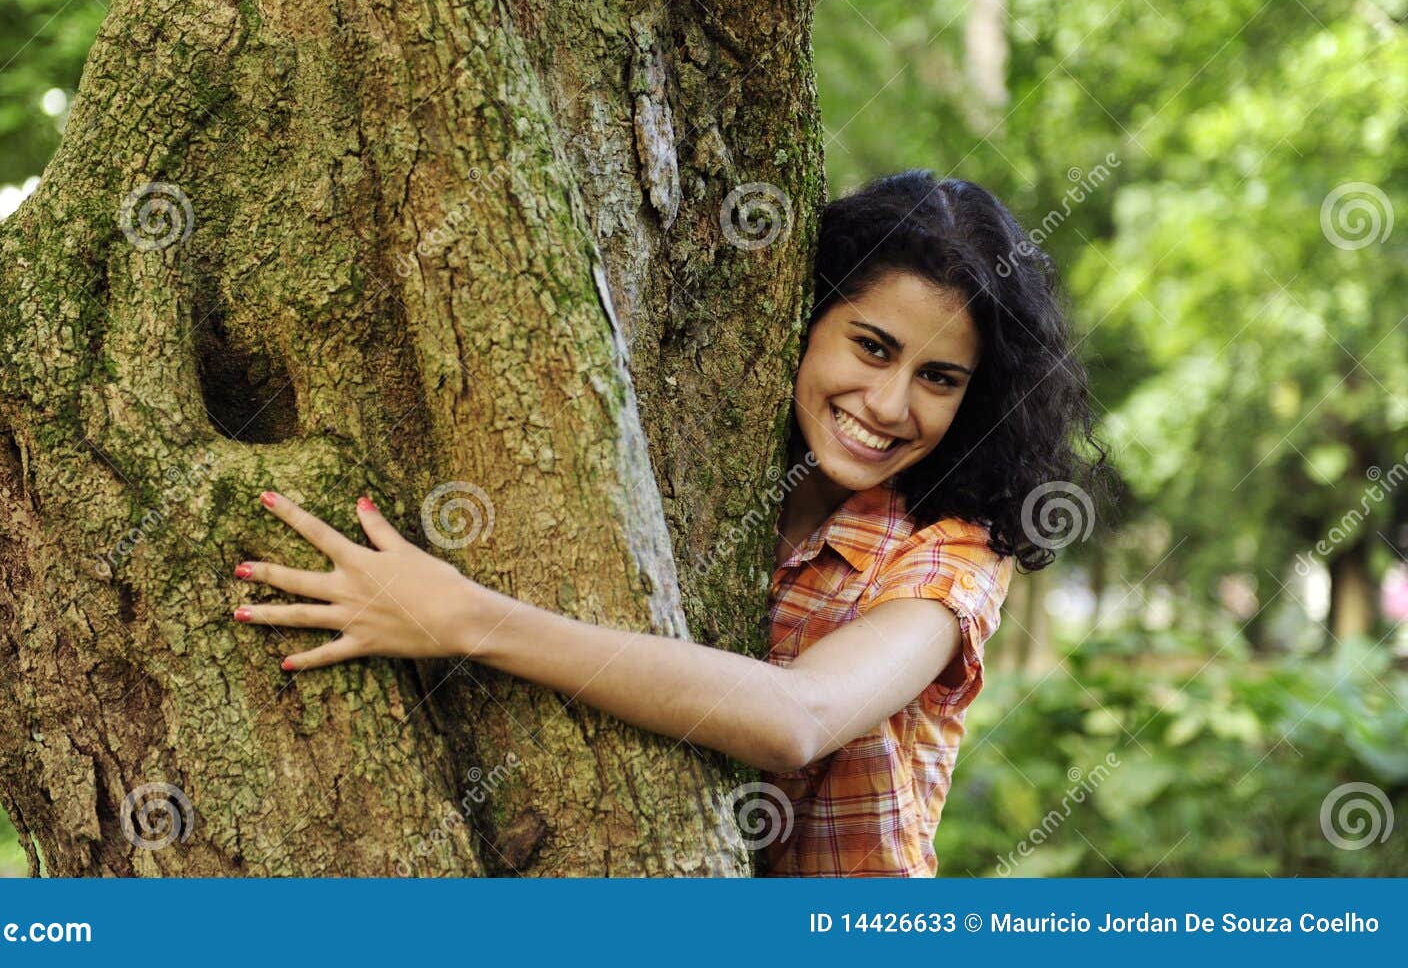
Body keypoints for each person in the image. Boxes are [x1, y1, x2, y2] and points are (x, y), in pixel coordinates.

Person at [229, 168, 1109, 876]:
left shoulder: (951, 553)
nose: (888, 402)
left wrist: (461, 617)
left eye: (939, 378)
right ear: (805, 323)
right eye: (871, 346)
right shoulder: (699, 473)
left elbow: (800, 715)